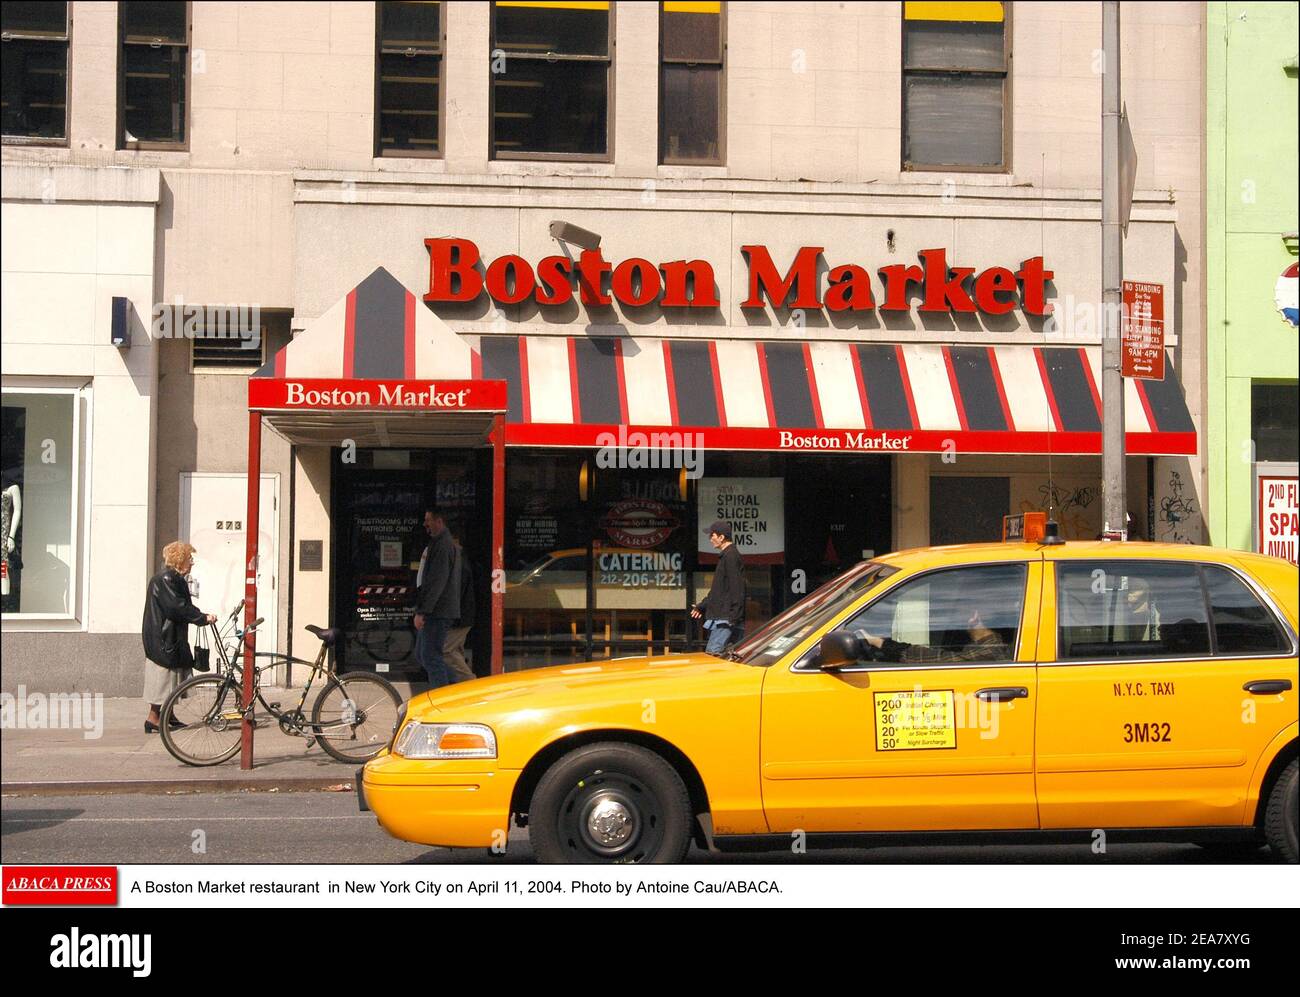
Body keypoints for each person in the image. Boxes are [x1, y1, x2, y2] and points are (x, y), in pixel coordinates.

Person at [141, 541, 216, 733]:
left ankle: (168, 715)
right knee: (163, 679)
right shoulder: (166, 579)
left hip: (170, 637)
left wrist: (200, 615)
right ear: (179, 559)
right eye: (189, 558)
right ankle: (154, 719)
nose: (192, 563)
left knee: (171, 679)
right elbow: (177, 607)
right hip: (164, 639)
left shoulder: (173, 578)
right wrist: (202, 618)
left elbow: (182, 606)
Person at [855, 608, 1010, 665]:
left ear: (974, 616)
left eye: (957, 609)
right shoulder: (985, 646)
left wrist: (880, 643)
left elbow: (940, 660)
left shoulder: (990, 651)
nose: (952, 617)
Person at [414, 509, 460, 689]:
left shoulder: (443, 545)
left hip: (438, 611)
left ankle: (441, 698)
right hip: (437, 610)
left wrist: (422, 611)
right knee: (423, 655)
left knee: (431, 657)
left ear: (439, 521)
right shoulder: (440, 543)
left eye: (428, 520)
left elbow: (436, 583)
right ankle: (454, 685)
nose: (425, 524)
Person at [691, 520, 746, 655]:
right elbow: (718, 591)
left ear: (721, 537)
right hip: (725, 618)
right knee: (724, 659)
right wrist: (702, 606)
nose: (710, 539)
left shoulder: (730, 556)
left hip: (726, 619)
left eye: (712, 536)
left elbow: (737, 588)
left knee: (712, 656)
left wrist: (733, 617)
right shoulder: (726, 556)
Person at [443, 535, 477, 684]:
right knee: (456, 651)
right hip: (462, 616)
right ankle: (461, 687)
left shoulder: (459, 563)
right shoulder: (460, 560)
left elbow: (455, 593)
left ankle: (471, 683)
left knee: (446, 650)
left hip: (460, 617)